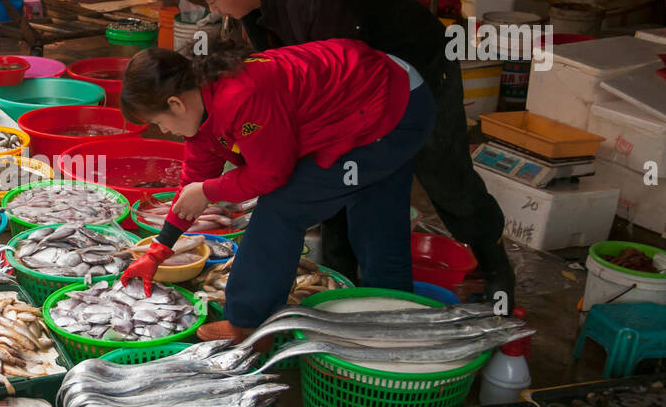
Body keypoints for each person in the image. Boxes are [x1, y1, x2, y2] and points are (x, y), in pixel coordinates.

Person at [181, 0, 515, 308]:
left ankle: (495, 266)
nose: (216, 10)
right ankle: (349, 283)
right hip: (361, 99)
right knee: (347, 179)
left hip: (418, 70)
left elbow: (344, 88)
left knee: (445, 175)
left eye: (212, 1)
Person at [119, 41, 435, 340]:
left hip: (391, 103)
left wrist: (209, 190)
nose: (165, 131)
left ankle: (250, 324)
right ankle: (395, 320)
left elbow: (271, 175)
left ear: (175, 103)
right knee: (378, 217)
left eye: (159, 122)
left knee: (283, 209)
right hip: (382, 91)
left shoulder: (240, 97)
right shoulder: (201, 106)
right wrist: (159, 250)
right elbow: (193, 184)